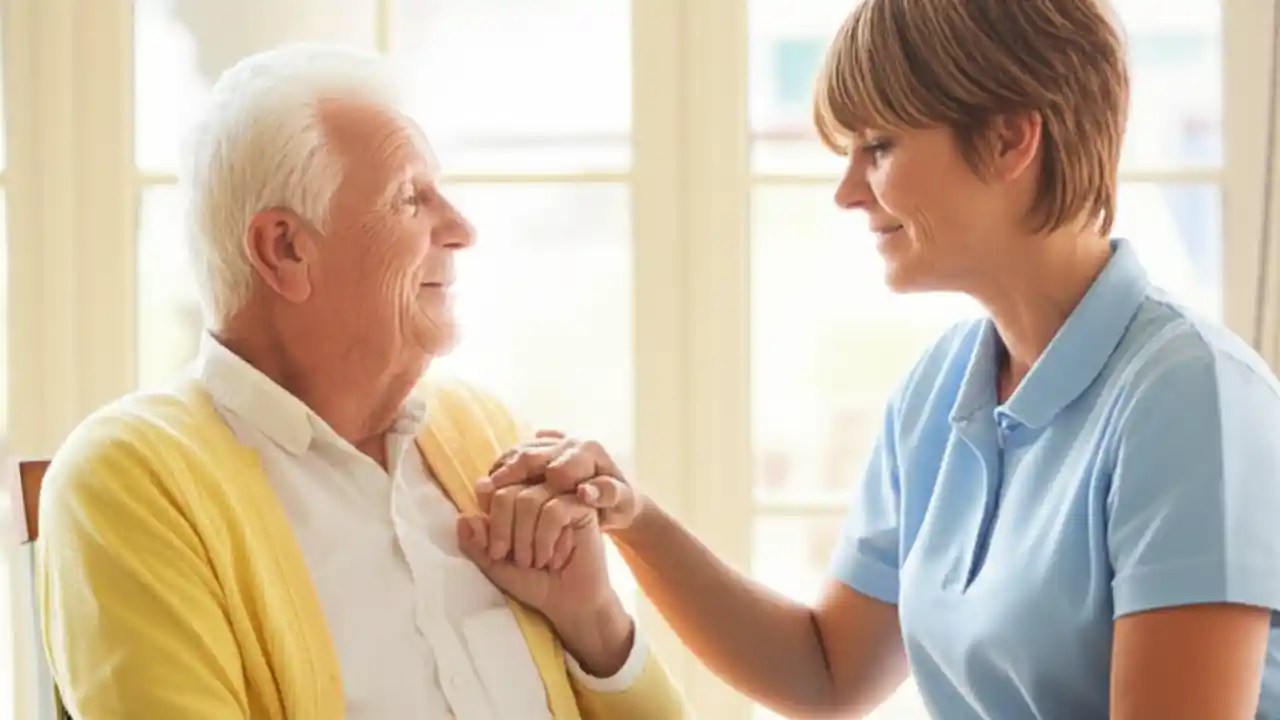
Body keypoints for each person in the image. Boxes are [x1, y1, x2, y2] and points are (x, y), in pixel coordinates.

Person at [476, 1, 1280, 718]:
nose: (849, 192)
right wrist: (631, 518)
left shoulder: (1191, 397)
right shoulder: (940, 391)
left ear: (1009, 138)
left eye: (879, 147)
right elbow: (826, 673)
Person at [37, 44, 686, 720]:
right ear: (285, 249)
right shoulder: (131, 481)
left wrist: (597, 625)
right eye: (410, 198)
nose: (462, 230)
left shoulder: (483, 433)